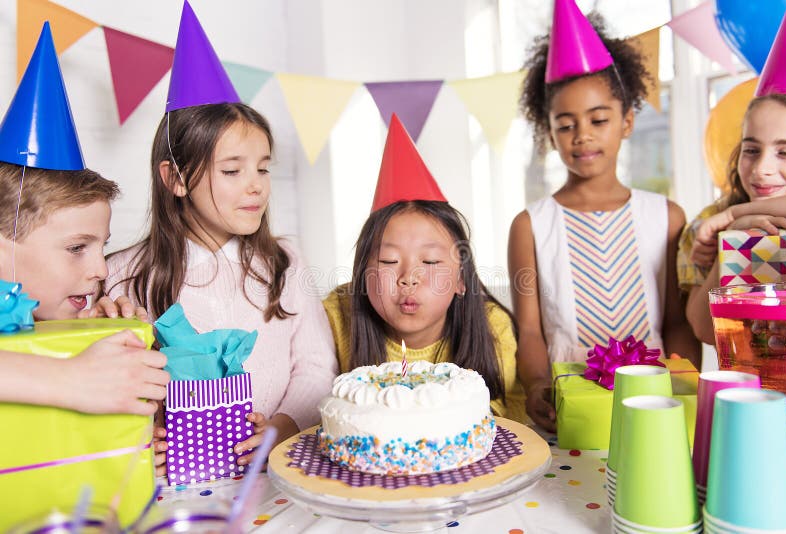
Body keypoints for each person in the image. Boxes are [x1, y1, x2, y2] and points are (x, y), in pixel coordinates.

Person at [104, 2, 337, 472]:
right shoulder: (120, 276)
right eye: (233, 170)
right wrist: (140, 435)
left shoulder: (284, 263)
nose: (256, 186)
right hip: (174, 485)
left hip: (274, 477)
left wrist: (282, 427)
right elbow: (109, 384)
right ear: (176, 178)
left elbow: (316, 368)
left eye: (263, 169)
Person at [508, 1, 699, 431]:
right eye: (566, 125)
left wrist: (685, 385)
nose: (583, 136)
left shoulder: (666, 217)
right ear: (549, 132)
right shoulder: (530, 226)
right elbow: (531, 331)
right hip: (573, 403)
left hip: (654, 401)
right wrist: (537, 385)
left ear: (627, 122)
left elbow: (675, 321)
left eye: (598, 119)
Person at [0, 23, 168, 416]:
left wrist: (93, 338)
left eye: (100, 246)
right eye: (77, 247)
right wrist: (71, 377)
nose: (100, 269)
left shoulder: (49, 319)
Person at [323, 114, 528, 424]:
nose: (408, 278)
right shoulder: (336, 317)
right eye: (389, 261)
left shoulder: (491, 328)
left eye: (430, 262)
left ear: (461, 278)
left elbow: (506, 409)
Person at [680, 1, 786, 344]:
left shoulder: (729, 214)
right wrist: (732, 243)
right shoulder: (707, 226)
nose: (762, 169)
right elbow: (704, 331)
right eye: (750, 150)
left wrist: (737, 213)